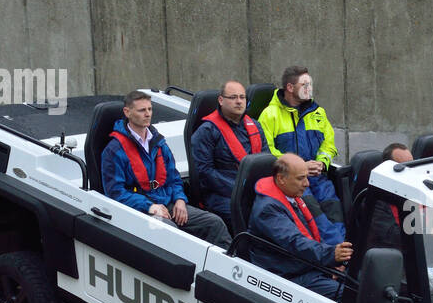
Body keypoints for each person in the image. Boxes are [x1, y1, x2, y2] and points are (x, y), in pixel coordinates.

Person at [101, 91, 230, 246]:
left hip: (168, 203)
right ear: (127, 112)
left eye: (150, 109)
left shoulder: (159, 142)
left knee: (214, 224)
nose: (147, 114)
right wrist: (149, 206)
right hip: (139, 210)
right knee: (171, 232)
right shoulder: (114, 150)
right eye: (142, 110)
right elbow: (115, 192)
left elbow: (173, 178)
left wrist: (180, 200)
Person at [257, 66, 346, 244]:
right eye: (305, 84)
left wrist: (321, 163)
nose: (310, 89)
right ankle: (336, 255)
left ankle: (341, 252)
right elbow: (266, 151)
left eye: (310, 84)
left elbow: (329, 145)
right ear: (290, 87)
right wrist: (300, 167)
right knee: (315, 216)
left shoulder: (318, 113)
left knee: (335, 212)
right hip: (293, 181)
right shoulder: (270, 115)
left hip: (318, 176)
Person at [250, 153, 353, 299]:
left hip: (304, 264)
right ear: (281, 179)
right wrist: (330, 255)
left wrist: (331, 260)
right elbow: (295, 242)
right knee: (349, 296)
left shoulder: (291, 196)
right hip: (288, 274)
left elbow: (310, 235)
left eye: (306, 177)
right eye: (300, 178)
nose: (307, 183)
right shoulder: (268, 210)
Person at [191, 79, 268, 223]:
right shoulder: (207, 131)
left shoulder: (255, 126)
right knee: (255, 218)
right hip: (222, 195)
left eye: (242, 97)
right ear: (221, 100)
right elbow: (205, 172)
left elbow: (266, 161)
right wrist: (241, 190)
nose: (239, 102)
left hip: (255, 190)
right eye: (233, 97)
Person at [365, 143, 412, 251]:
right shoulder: (376, 200)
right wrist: (429, 232)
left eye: (412, 165)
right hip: (397, 258)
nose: (410, 172)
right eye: (404, 167)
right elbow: (393, 237)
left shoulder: (419, 191)